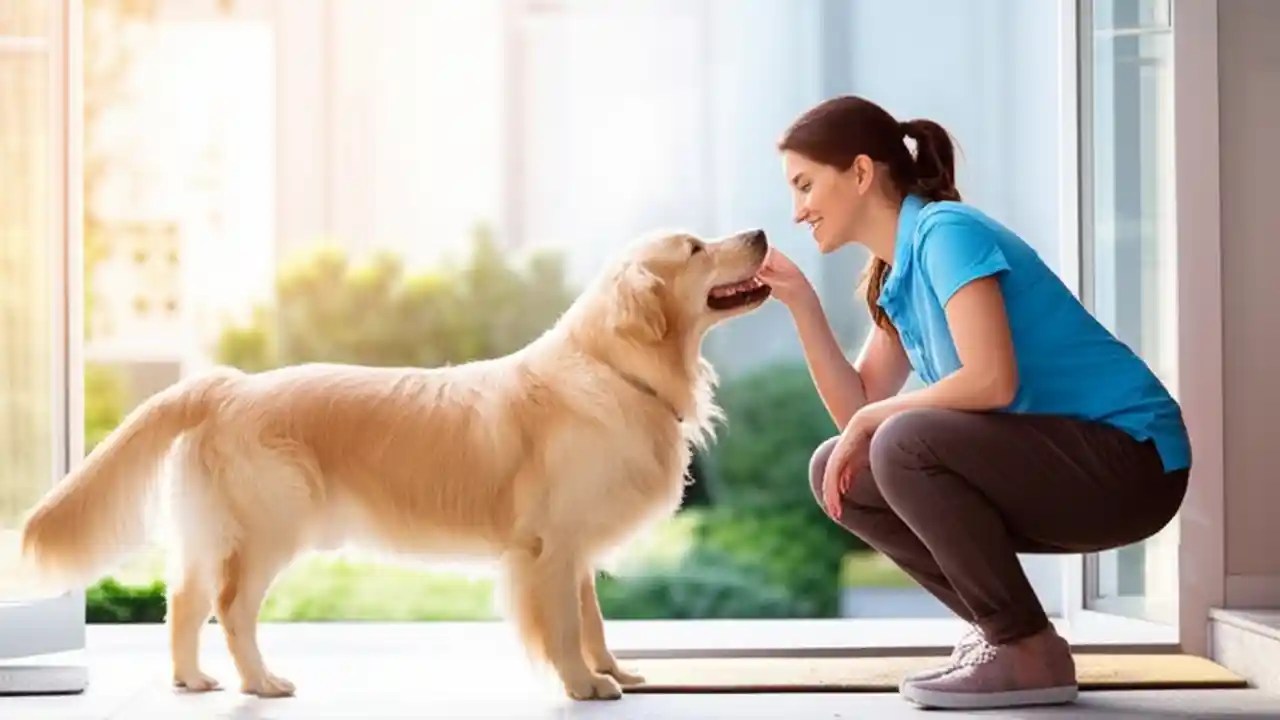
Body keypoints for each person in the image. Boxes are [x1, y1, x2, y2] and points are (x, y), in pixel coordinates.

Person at [756, 95, 1191, 711]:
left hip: (1134, 463)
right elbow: (857, 404)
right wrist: (801, 302)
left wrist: (872, 420)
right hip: (1069, 464)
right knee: (839, 469)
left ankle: (1023, 648)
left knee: (902, 441)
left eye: (805, 186)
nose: (798, 211)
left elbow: (992, 381)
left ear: (859, 172)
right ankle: (1014, 638)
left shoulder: (945, 234)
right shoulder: (895, 273)